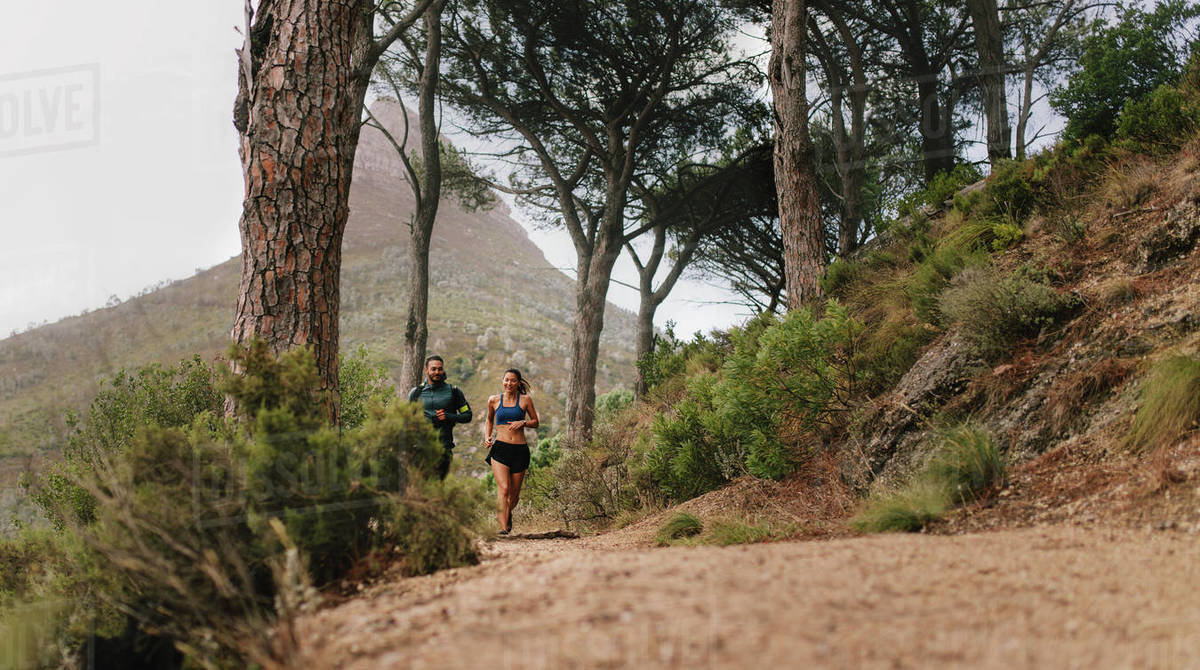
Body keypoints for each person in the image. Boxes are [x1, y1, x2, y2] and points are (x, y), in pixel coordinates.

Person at [484, 368, 539, 534]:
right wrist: (487, 436)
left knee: (514, 495)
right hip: (500, 449)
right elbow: (489, 420)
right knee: (504, 489)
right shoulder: (494, 400)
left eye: (513, 380)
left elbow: (535, 422)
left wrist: (522, 422)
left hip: (520, 450)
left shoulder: (525, 400)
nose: (509, 383)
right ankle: (503, 530)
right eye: (506, 380)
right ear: (503, 381)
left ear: (518, 383)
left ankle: (507, 515)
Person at [408, 355, 473, 479]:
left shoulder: (454, 392)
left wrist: (449, 416)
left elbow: (467, 415)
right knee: (420, 488)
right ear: (426, 370)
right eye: (433, 369)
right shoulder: (416, 393)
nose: (437, 372)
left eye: (440, 369)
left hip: (444, 448)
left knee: (439, 488)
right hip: (420, 449)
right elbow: (407, 419)